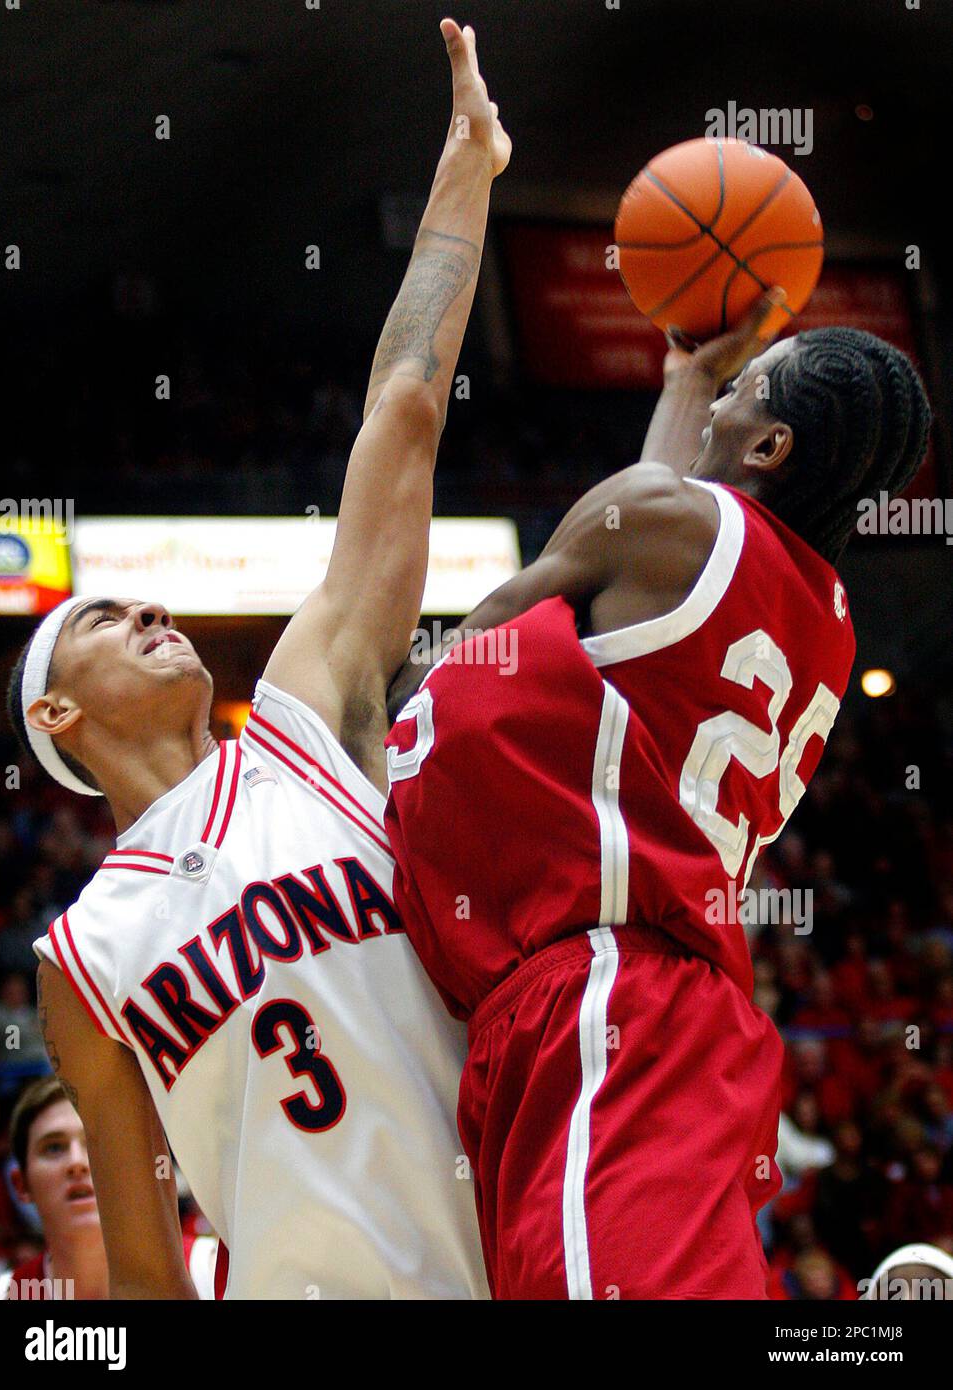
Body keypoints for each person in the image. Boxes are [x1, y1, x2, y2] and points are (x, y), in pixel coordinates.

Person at [13, 19, 509, 1298]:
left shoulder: (300, 714)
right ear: (56, 710)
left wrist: (464, 178)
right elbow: (141, 1259)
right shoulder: (83, 957)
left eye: (149, 603)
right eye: (104, 616)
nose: (149, 612)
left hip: (506, 1263)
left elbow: (400, 422)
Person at [384, 305, 931, 1299]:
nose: (721, 400)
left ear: (771, 443)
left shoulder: (664, 523)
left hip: (603, 990)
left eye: (739, 390)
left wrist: (344, 716)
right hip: (656, 996)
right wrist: (687, 383)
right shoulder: (828, 623)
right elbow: (654, 557)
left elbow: (463, 650)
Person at [0, 1076, 216, 1299]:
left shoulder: (209, 1270)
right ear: (21, 1185)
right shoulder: (6, 1294)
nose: (77, 1163)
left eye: (95, 1142)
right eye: (54, 1148)